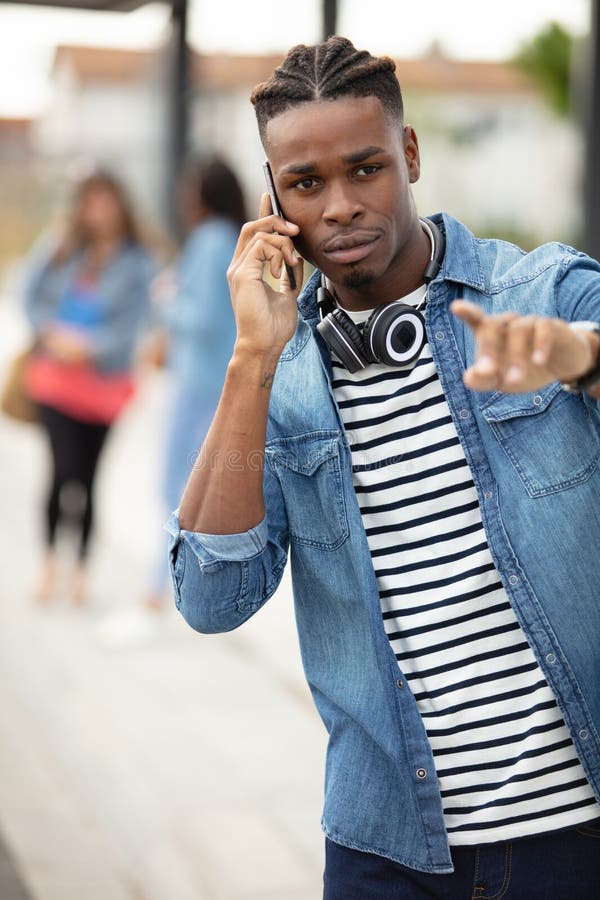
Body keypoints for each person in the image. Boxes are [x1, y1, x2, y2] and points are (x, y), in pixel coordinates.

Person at [166, 37, 600, 899]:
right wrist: (252, 358)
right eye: (306, 183)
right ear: (274, 197)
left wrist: (580, 365)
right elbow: (211, 600)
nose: (339, 206)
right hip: (387, 852)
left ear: (408, 154)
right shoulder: (277, 377)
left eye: (365, 169)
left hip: (574, 837)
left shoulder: (542, 295)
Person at [23, 169, 155, 606]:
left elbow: (136, 323)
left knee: (88, 478)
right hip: (55, 381)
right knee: (61, 474)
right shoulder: (62, 246)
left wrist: (91, 348)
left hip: (104, 384)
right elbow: (27, 293)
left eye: (106, 202)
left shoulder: (137, 261)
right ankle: (48, 567)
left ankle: (79, 572)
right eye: (91, 202)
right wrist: (52, 334)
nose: (98, 212)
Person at [144, 156, 245, 611]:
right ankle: (162, 583)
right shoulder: (231, 238)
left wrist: (166, 299)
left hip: (199, 381)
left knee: (178, 488)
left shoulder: (209, 241)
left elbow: (202, 317)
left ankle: (161, 585)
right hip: (215, 378)